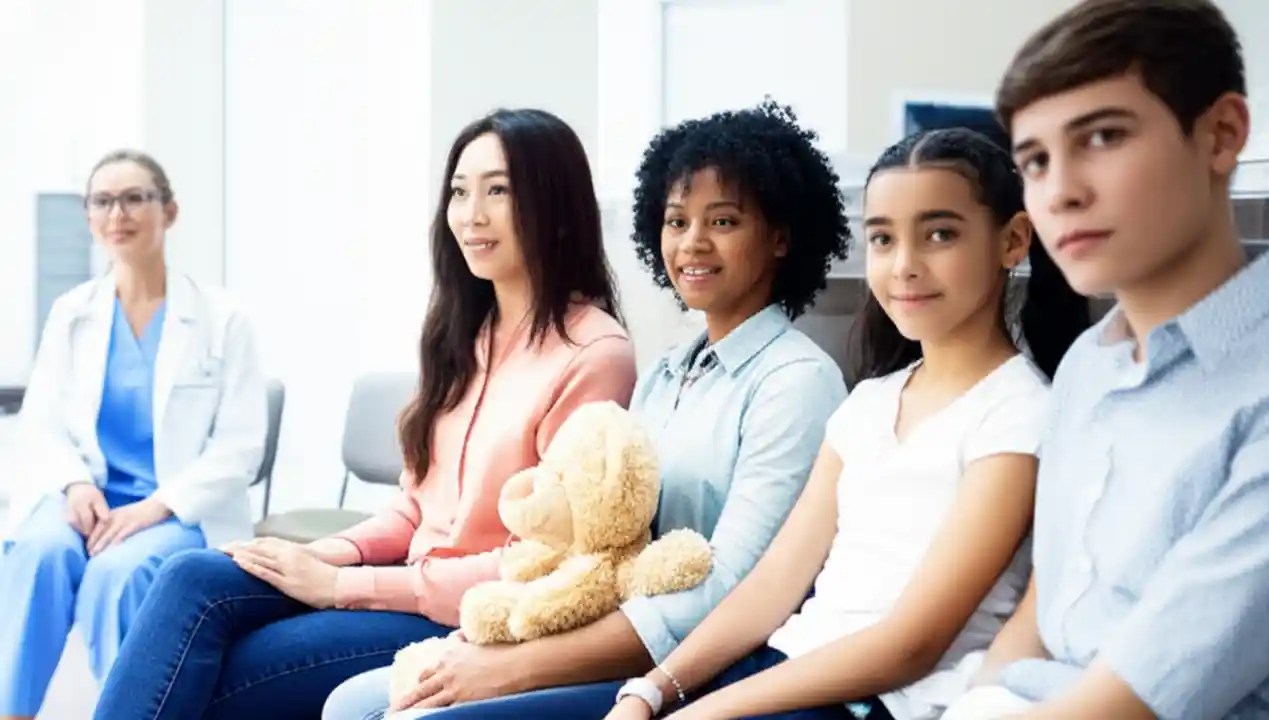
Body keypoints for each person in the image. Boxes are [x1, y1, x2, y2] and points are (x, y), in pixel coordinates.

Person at [90, 108, 638, 720]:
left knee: (225, 667)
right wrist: (329, 555)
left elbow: (544, 562)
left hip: (478, 617)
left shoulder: (594, 355)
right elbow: (414, 506)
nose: (471, 215)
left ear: (556, 209)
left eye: (499, 191)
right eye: (459, 192)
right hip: (405, 582)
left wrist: (345, 587)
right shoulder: (465, 334)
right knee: (192, 576)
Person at [324, 100, 852, 720]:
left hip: (699, 664)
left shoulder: (796, 383)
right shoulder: (665, 375)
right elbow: (602, 545)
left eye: (724, 222)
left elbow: (726, 589)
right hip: (610, 631)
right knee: (351, 702)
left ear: (782, 237)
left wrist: (514, 667)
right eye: (676, 221)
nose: (693, 243)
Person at [602, 127, 1091, 720]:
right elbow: (771, 587)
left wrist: (706, 711)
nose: (905, 266)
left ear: (1012, 241)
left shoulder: (1019, 414)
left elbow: (911, 645)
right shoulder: (869, 402)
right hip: (777, 670)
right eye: (883, 239)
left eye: (940, 234)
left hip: (864, 701)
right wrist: (652, 691)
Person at [940, 2, 1269, 719]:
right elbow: (1044, 605)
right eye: (1034, 160)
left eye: (1102, 136)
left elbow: (1136, 701)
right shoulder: (1087, 367)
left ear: (1221, 135)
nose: (1060, 191)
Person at [0, 150, 268, 720]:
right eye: (102, 200)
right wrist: (73, 485)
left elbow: (241, 447)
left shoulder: (223, 318)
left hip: (174, 512)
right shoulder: (72, 313)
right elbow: (41, 420)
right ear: (89, 217)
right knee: (36, 550)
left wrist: (154, 508)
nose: (117, 213)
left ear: (168, 211)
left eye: (135, 198)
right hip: (88, 498)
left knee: (118, 574)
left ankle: (127, 710)